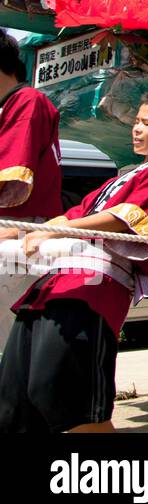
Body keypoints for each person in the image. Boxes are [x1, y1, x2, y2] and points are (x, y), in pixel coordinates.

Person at [0, 90, 148, 432]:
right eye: (136, 122)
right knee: (15, 398)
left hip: (92, 292)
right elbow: (70, 216)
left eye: (147, 123)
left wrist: (61, 230)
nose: (136, 130)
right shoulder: (119, 179)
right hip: (53, 288)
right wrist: (17, 232)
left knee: (64, 397)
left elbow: (126, 217)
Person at [0, 32, 62, 353]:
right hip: (15, 228)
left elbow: (13, 181)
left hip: (18, 229)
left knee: (7, 339)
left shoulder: (27, 102)